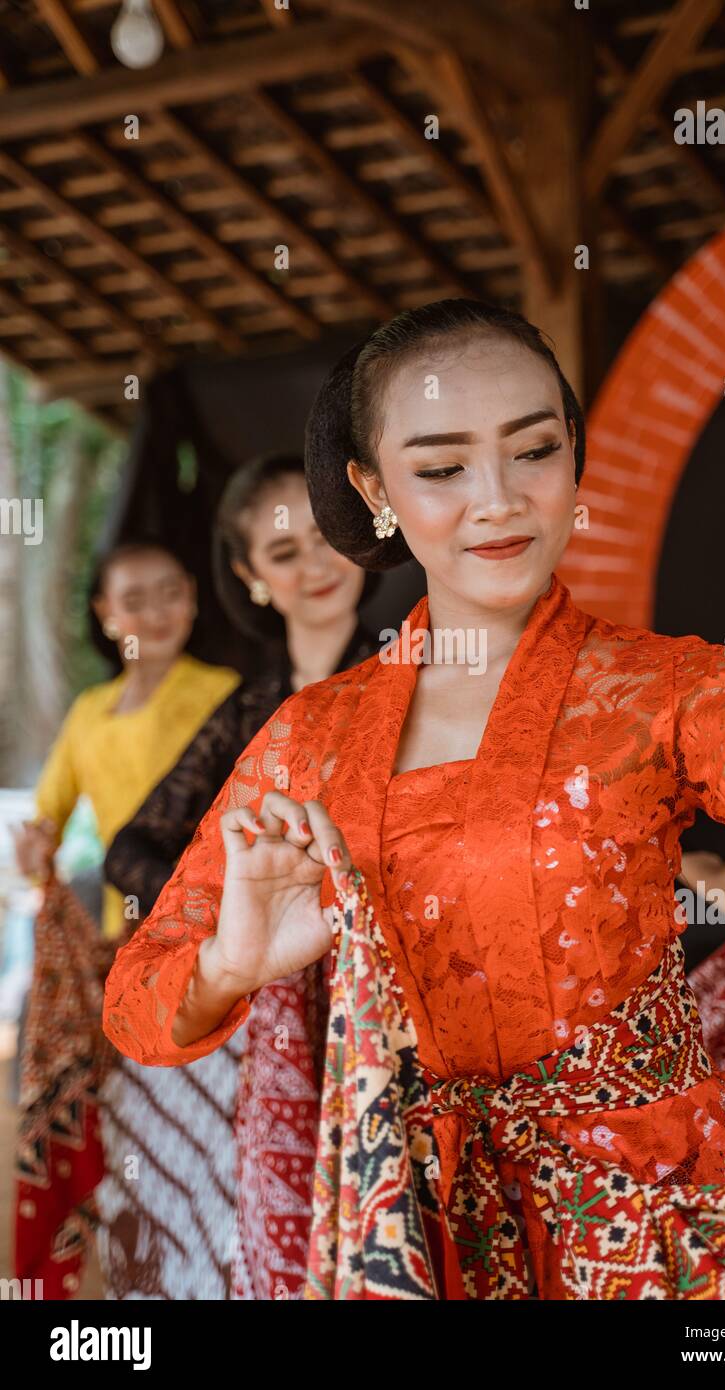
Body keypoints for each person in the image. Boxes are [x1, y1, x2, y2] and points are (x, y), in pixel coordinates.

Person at [104, 299, 725, 1301]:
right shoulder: (308, 739)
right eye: (440, 468)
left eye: (532, 450)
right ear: (372, 490)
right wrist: (230, 963)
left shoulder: (675, 690)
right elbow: (137, 1004)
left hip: (654, 1221)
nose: (498, 500)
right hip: (420, 1237)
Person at [100, 453, 377, 1299]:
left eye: (329, 536)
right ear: (254, 579)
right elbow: (127, 849)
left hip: (388, 1002)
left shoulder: (414, 671)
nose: (315, 564)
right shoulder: (251, 710)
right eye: (283, 553)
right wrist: (236, 917)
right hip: (275, 1011)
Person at [13, 538, 239, 1299]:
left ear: (196, 599)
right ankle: (143, 1292)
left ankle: (208, 1276)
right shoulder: (88, 714)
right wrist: (37, 848)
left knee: (209, 1135)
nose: (155, 611)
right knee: (130, 1136)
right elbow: (42, 826)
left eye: (168, 591)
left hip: (209, 951)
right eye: (132, 598)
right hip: (121, 959)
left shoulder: (227, 693)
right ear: (106, 616)